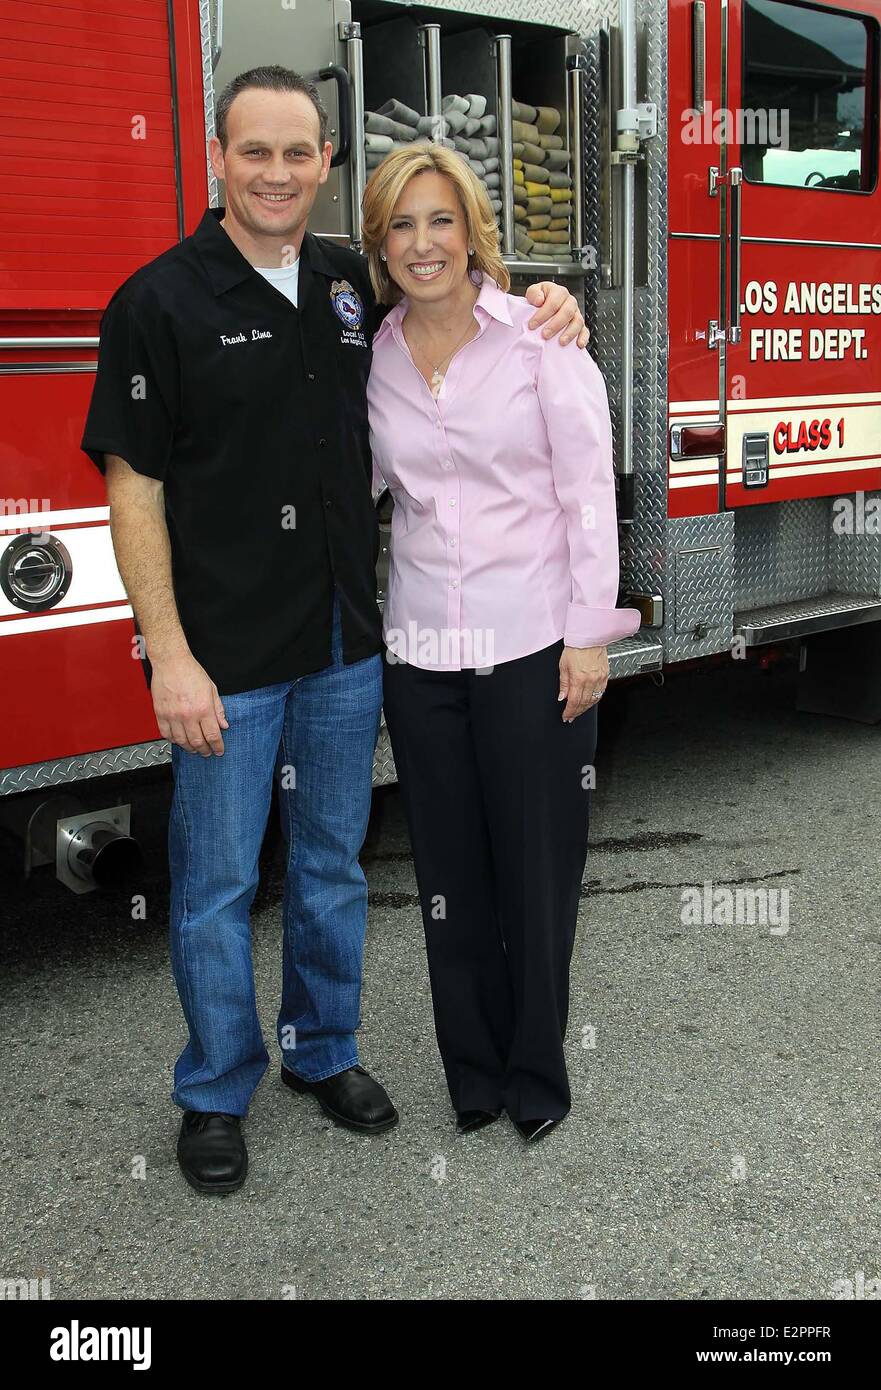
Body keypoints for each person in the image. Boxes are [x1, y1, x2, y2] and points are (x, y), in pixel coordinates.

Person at [80, 66, 589, 1193]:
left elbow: (459, 298)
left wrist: (551, 299)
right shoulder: (158, 301)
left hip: (348, 647)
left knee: (330, 866)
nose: (274, 172)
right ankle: (216, 1089)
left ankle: (323, 1050)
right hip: (224, 657)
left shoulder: (346, 285)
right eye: (252, 151)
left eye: (296, 152)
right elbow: (133, 485)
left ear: (323, 163)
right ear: (215, 157)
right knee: (215, 883)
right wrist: (166, 651)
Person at [362, 143, 641, 1143]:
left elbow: (586, 497)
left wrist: (589, 637)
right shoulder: (377, 356)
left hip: (532, 647)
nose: (422, 243)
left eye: (440, 220)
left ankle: (535, 1075)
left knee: (535, 871)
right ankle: (470, 1076)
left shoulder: (539, 340)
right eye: (401, 224)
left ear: (472, 230)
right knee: (447, 876)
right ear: (379, 242)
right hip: (422, 655)